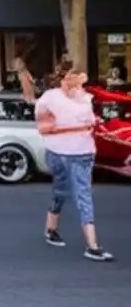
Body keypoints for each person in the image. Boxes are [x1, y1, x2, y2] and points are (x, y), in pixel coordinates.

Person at [36, 62, 114, 261]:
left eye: (79, 81)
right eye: (72, 79)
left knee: (74, 193)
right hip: (63, 153)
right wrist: (78, 127)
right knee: (69, 193)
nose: (76, 85)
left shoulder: (86, 99)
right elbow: (44, 127)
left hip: (76, 153)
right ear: (63, 78)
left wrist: (91, 124)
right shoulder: (51, 98)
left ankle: (85, 242)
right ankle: (61, 234)